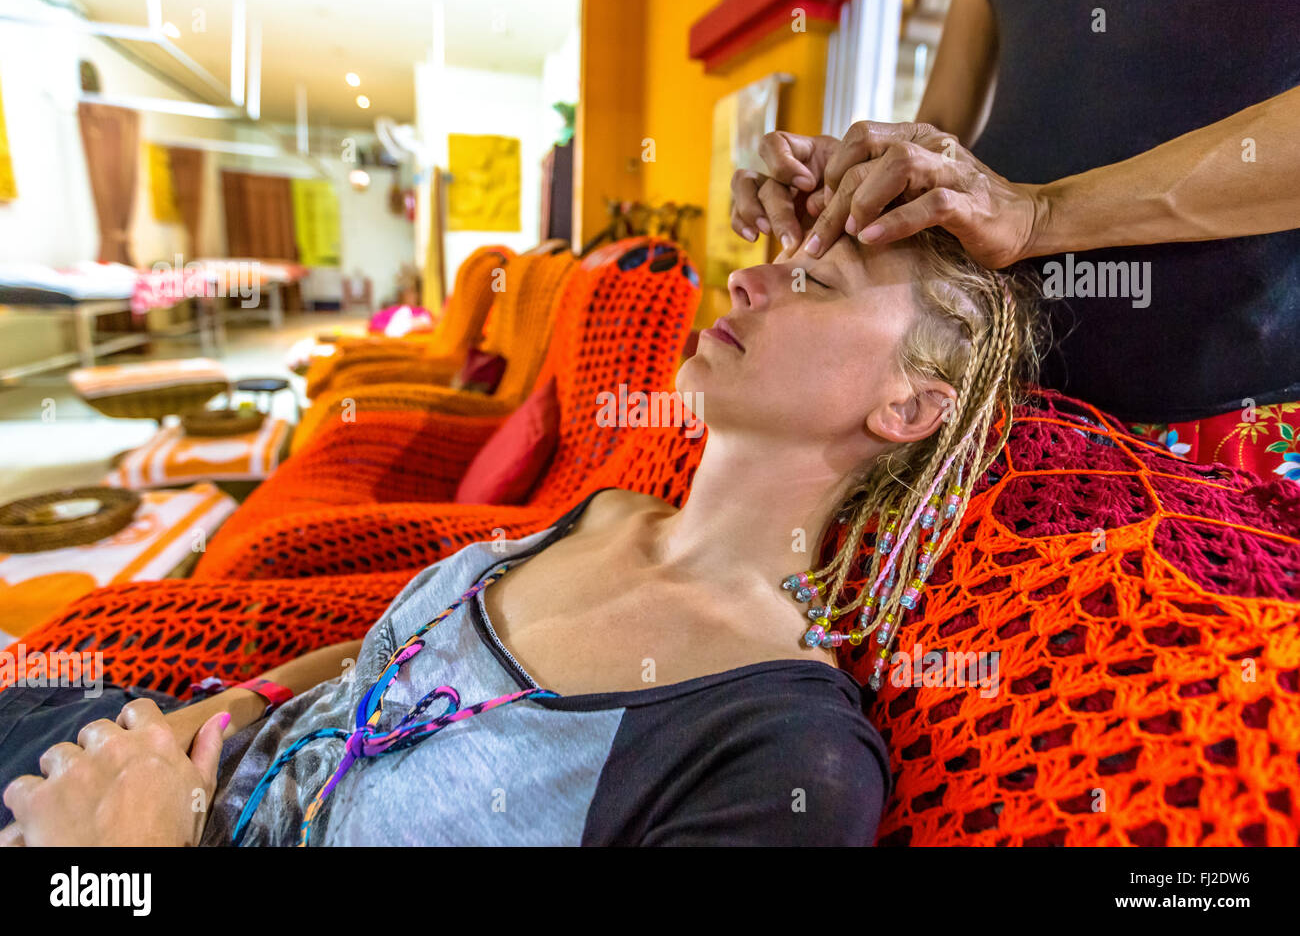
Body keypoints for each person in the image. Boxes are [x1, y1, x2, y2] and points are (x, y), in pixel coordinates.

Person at [0, 223, 1041, 846]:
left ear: (908, 408)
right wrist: (218, 710)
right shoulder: (610, 515)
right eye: (778, 255)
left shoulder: (778, 751)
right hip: (134, 746)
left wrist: (120, 860)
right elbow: (389, 651)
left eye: (818, 278)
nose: (748, 278)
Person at [732, 0, 1300, 483]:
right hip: (1000, 396)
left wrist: (1041, 215)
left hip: (1217, 398)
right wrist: (856, 189)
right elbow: (943, 127)